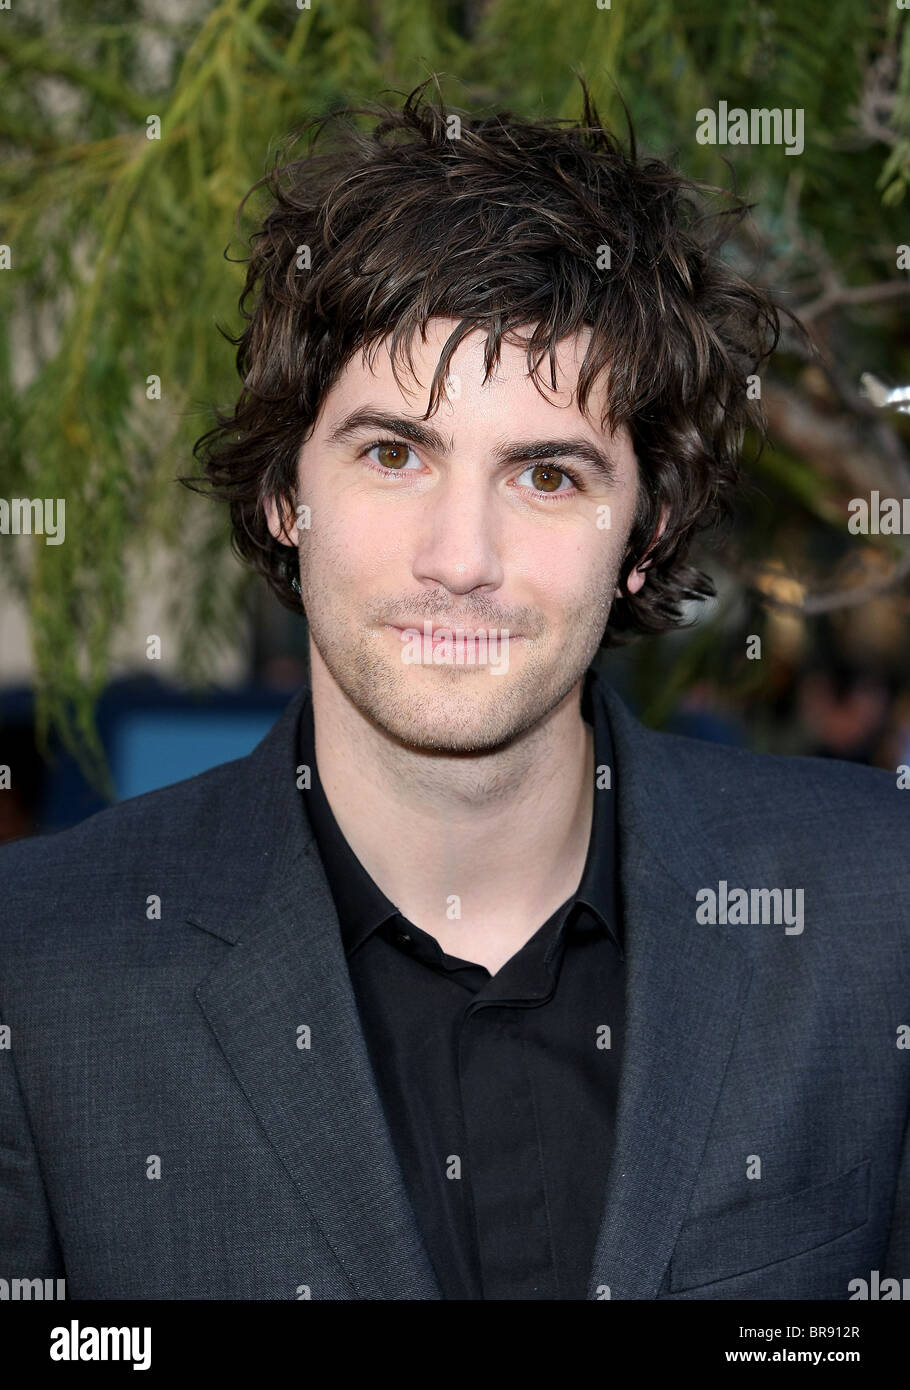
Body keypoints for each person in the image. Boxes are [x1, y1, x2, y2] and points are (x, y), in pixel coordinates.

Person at [1, 77, 907, 1302]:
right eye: (392, 454)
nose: (460, 557)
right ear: (283, 495)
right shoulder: (39, 971)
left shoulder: (872, 910)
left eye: (545, 475)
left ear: (642, 532)